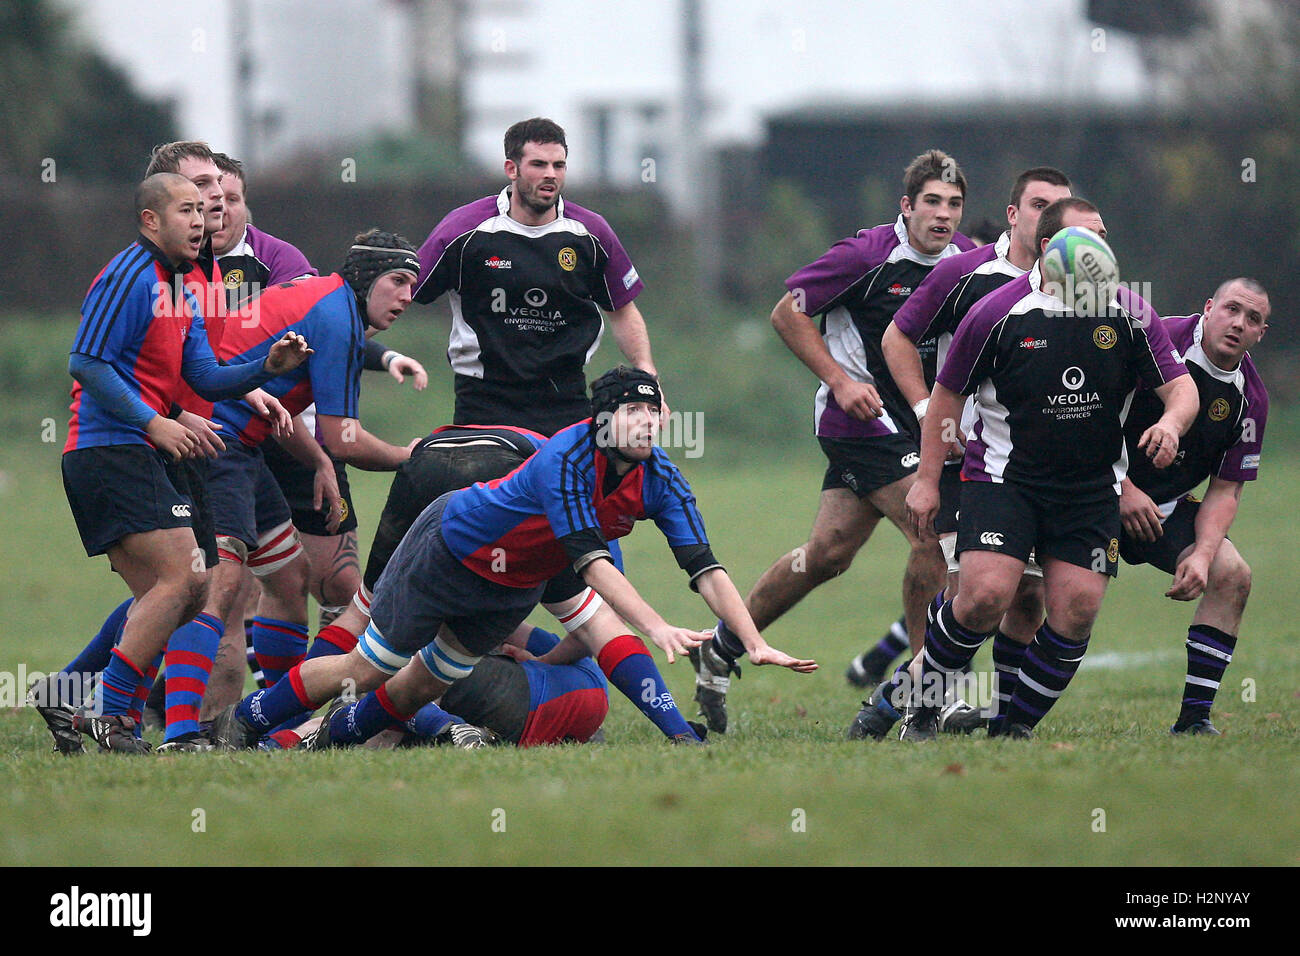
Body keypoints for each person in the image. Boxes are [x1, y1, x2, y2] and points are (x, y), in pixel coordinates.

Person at [210, 366, 816, 751]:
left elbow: (705, 568)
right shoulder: (568, 458)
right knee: (366, 670)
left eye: (654, 409)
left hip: (511, 588)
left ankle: (316, 745)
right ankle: (243, 722)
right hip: (448, 550)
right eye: (633, 410)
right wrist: (657, 627)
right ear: (603, 421)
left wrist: (749, 639)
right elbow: (591, 567)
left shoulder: (663, 479)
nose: (647, 421)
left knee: (423, 684)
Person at [692, 149, 975, 733]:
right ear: (907, 205)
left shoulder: (968, 261)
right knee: (935, 529)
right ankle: (929, 694)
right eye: (931, 202)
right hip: (860, 424)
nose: (943, 215)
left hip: (920, 426)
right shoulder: (865, 255)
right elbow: (785, 314)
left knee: (826, 555)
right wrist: (841, 381)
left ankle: (720, 645)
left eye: (953, 204)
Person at [900, 197, 1199, 740]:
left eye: (1103, 236)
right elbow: (946, 396)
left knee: (1076, 610)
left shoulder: (1128, 312)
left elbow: (1180, 388)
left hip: (1089, 491)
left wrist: (1173, 424)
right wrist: (925, 479)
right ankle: (921, 702)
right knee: (985, 596)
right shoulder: (996, 312)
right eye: (1086, 237)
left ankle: (1011, 733)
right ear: (1046, 248)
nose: (1098, 250)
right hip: (1003, 480)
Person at [38, 173, 309, 755]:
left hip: (143, 451)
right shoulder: (129, 274)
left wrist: (270, 364)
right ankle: (114, 719)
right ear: (150, 221)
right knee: (186, 578)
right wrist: (154, 420)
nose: (201, 221)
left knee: (185, 591)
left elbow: (206, 377)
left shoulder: (181, 288)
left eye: (203, 211)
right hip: (108, 449)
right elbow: (87, 363)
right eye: (186, 209)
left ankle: (71, 692)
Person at [846, 168, 1073, 737]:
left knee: (1029, 596)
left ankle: (999, 718)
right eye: (1039, 205)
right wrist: (930, 416)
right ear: (1014, 213)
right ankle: (909, 707)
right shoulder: (965, 272)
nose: (1050, 219)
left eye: (1060, 209)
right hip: (967, 463)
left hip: (1039, 471)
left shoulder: (1084, 293)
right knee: (971, 594)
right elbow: (897, 337)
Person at [414, 117, 660, 437]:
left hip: (565, 400)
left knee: (565, 487)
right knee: (489, 487)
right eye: (539, 164)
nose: (550, 174)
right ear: (512, 169)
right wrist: (359, 339)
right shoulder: (464, 229)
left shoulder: (590, 233)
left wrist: (646, 371)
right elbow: (403, 291)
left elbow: (623, 310)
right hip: (484, 401)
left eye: (559, 165)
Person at [1118, 278, 1269, 735]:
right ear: (1208, 307)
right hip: (1089, 490)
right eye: (1232, 310)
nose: (1239, 324)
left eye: (1254, 319)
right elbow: (1086, 413)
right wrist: (1122, 487)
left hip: (1162, 509)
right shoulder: (1153, 340)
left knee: (1232, 575)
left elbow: (1226, 490)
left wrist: (1202, 555)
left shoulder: (1250, 399)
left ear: (1261, 333)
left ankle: (1193, 720)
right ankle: (978, 707)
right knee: (1027, 594)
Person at [264, 627, 611, 751]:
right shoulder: (590, 682)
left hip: (512, 695)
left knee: (397, 678)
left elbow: (504, 627)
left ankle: (276, 742)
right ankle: (281, 744)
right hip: (525, 724)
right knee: (377, 721)